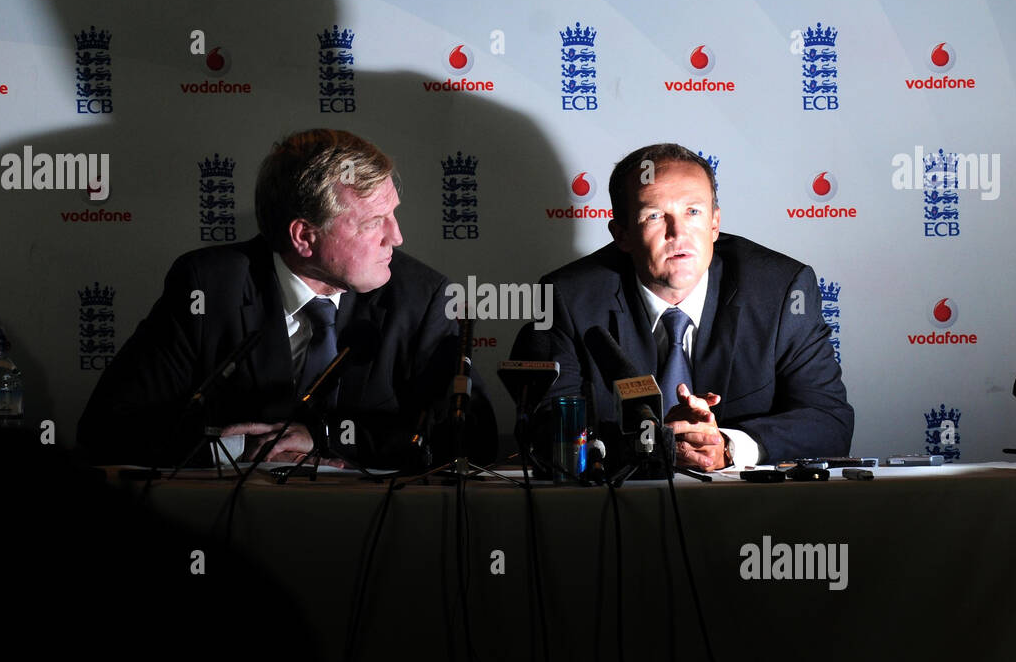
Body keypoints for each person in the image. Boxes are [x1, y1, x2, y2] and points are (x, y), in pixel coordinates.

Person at [77, 128, 496, 468]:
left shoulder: (420, 297)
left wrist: (325, 439)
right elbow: (107, 430)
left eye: (393, 213)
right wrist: (242, 450)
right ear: (304, 236)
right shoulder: (210, 288)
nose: (397, 237)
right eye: (373, 223)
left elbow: (473, 439)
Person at [513, 143, 853, 470]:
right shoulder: (566, 298)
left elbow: (828, 421)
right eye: (654, 216)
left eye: (693, 212)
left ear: (714, 223)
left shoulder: (781, 291)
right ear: (622, 235)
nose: (678, 232)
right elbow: (545, 429)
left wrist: (727, 445)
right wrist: (657, 443)